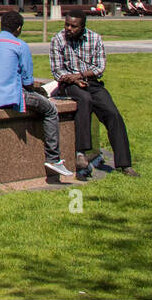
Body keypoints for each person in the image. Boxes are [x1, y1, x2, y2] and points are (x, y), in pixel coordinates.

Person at [0, 10, 71, 177]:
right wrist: (36, 92)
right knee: (50, 110)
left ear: (1, 25)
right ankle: (53, 158)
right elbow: (27, 82)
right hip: (9, 96)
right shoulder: (20, 45)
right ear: (19, 28)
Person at [50, 10, 137, 177]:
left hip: (91, 81)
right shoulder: (58, 39)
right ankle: (81, 153)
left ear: (83, 27)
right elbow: (57, 70)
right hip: (69, 83)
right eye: (67, 25)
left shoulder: (95, 38)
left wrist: (80, 76)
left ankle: (124, 164)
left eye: (73, 26)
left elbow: (99, 67)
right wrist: (74, 80)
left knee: (113, 114)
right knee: (84, 99)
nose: (69, 29)